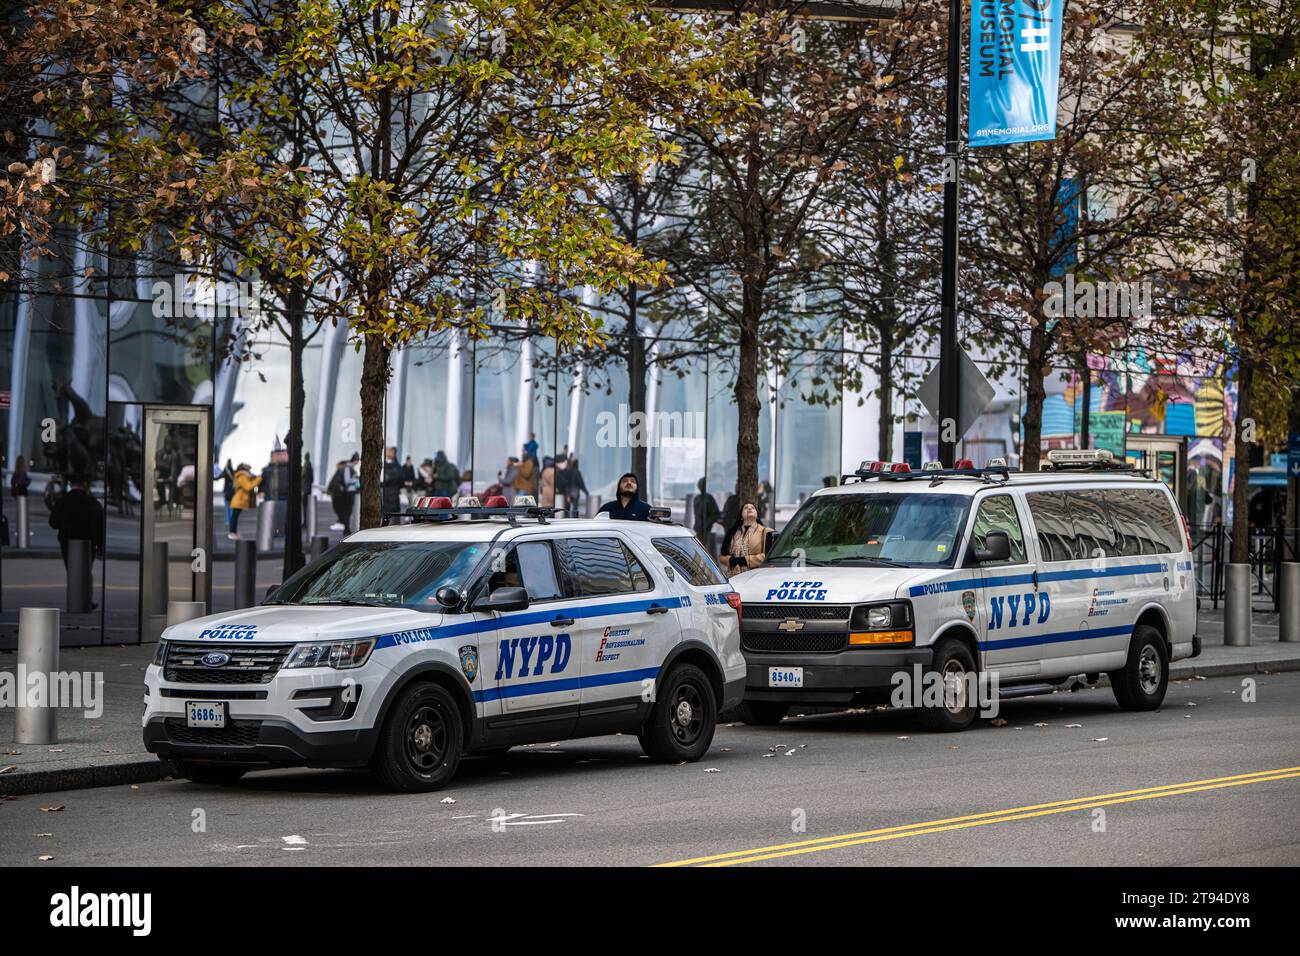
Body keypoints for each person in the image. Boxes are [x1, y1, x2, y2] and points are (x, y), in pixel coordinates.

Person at [47, 473, 104, 567]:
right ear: (85, 484)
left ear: (70, 484)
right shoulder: (93, 503)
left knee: (72, 571)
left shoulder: (63, 501)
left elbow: (53, 523)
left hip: (67, 542)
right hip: (89, 543)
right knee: (84, 571)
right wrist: (99, 544)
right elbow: (100, 526)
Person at [722, 502, 769, 578]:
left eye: (753, 508)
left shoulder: (766, 532)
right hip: (733, 577)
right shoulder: (732, 533)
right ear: (741, 516)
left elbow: (768, 556)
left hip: (755, 577)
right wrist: (730, 560)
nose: (749, 508)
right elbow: (722, 556)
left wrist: (745, 560)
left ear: (757, 516)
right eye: (746, 508)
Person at [228, 463, 261, 539]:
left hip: (240, 499)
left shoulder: (244, 476)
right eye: (248, 469)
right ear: (244, 470)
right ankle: (232, 533)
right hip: (239, 500)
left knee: (235, 517)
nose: (250, 471)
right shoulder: (242, 476)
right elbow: (248, 487)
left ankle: (233, 533)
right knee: (234, 517)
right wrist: (258, 479)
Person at [693, 477, 721, 549]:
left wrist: (707, 525)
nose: (702, 486)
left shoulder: (709, 498)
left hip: (706, 530)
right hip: (698, 529)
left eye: (703, 485)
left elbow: (716, 514)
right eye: (701, 485)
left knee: (704, 548)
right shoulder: (697, 498)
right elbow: (696, 515)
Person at [326, 460, 351, 532]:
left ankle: (343, 523)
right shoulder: (340, 471)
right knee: (339, 509)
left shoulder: (342, 471)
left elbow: (337, 482)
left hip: (338, 494)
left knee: (340, 509)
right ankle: (342, 522)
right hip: (337, 493)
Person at [381, 446, 405, 516]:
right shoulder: (397, 467)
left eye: (390, 450)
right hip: (387, 498)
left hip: (392, 498)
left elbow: (401, 481)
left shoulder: (397, 467)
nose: (388, 452)